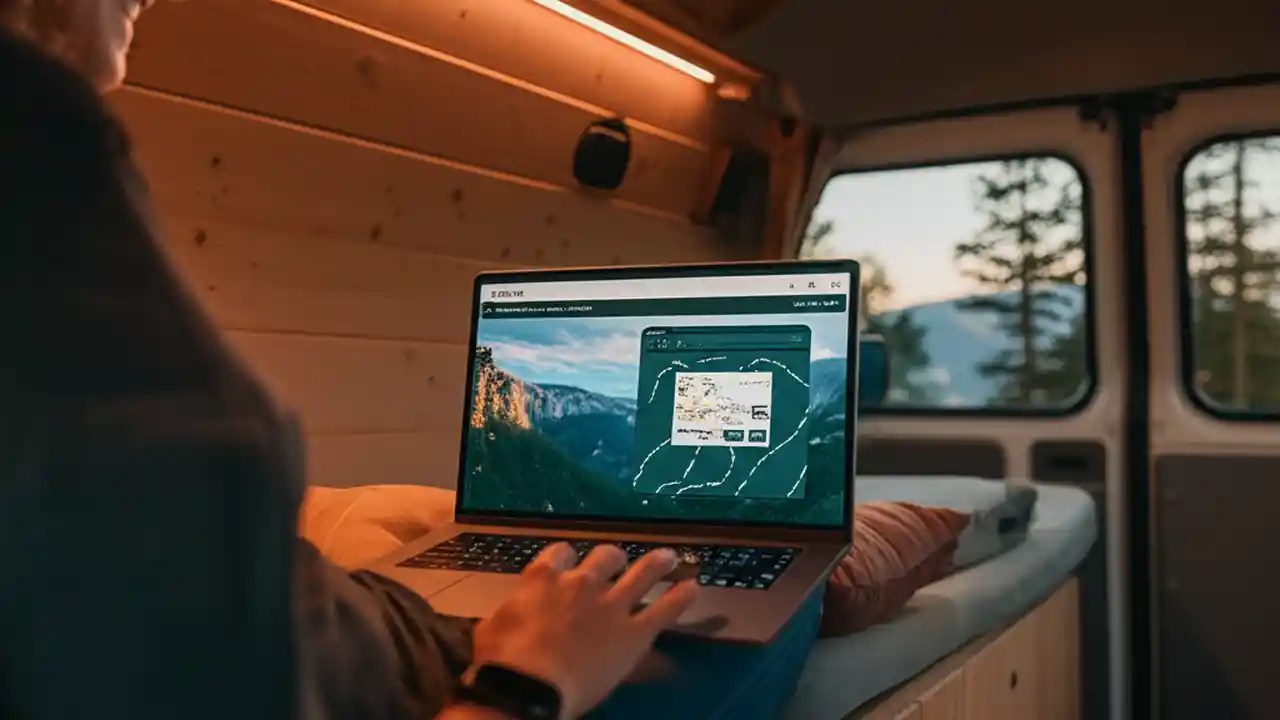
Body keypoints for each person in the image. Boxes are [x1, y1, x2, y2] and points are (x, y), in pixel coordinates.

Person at [0, 2, 821, 718]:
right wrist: (525, 683)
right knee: (783, 604)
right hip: (477, 686)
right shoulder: (42, 180)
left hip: (375, 630)